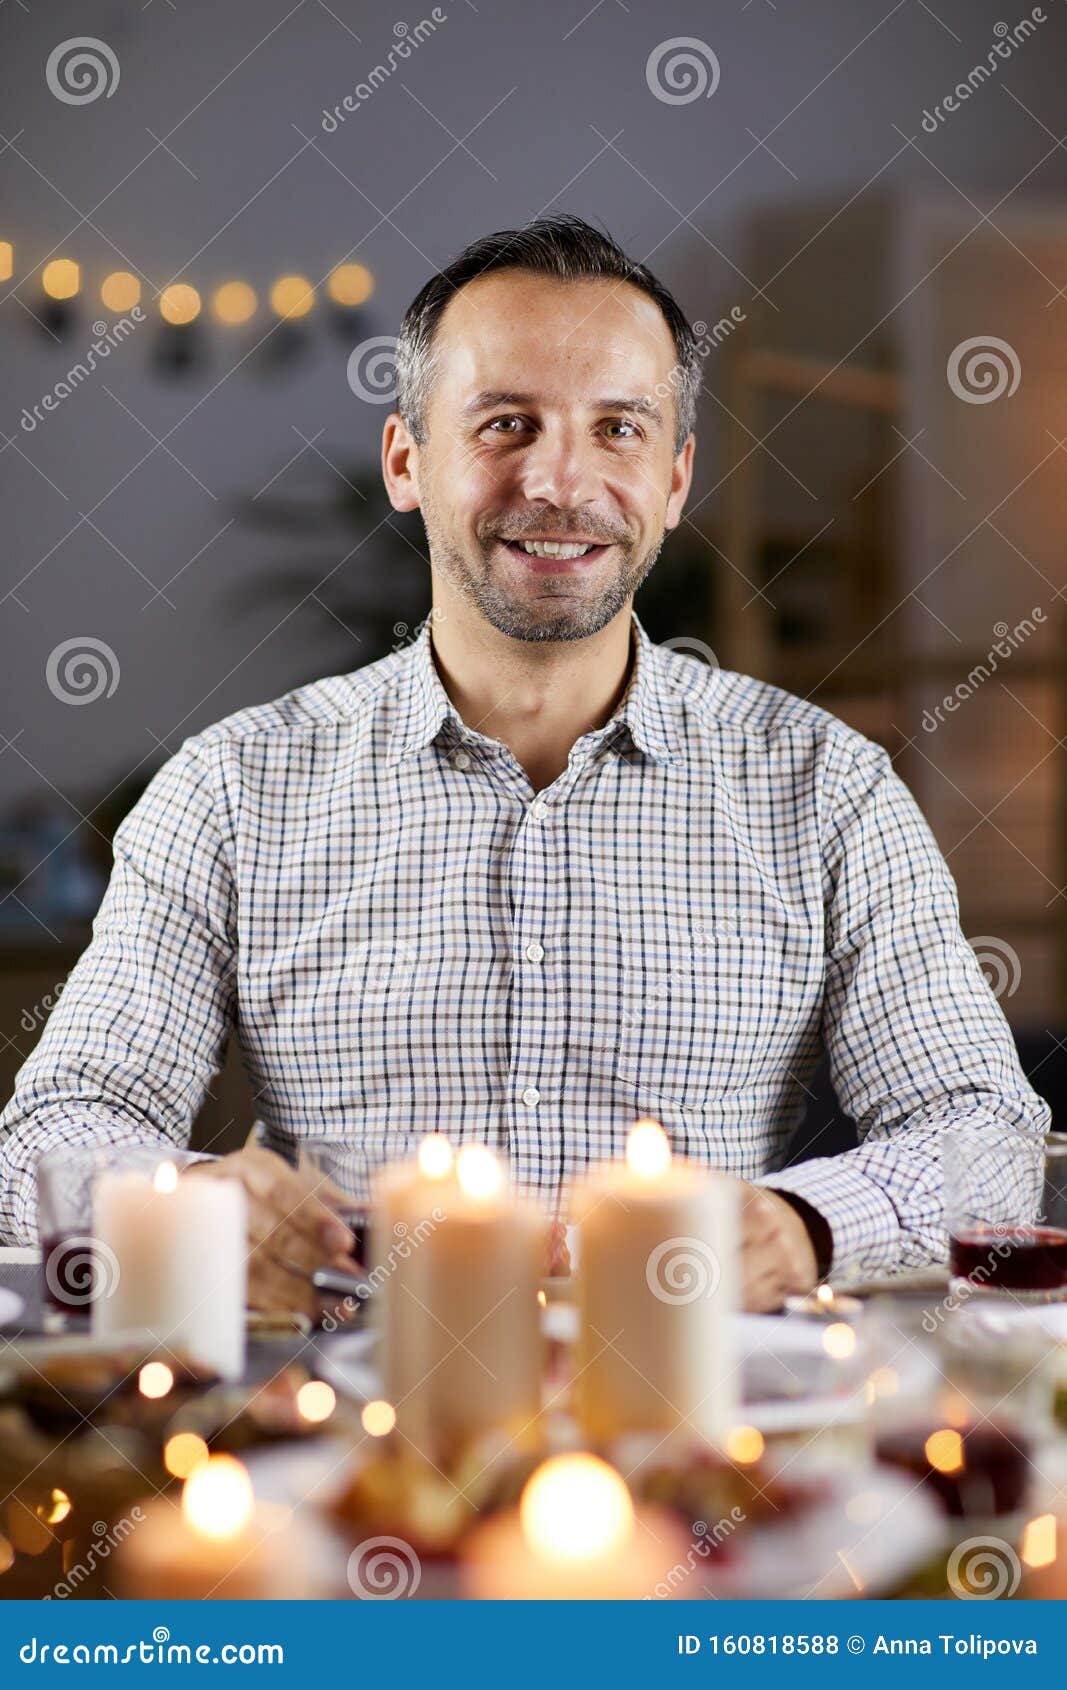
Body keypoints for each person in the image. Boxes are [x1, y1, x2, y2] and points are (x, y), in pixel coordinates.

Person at [0, 215, 1049, 1318]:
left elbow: (982, 1128)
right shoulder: (229, 790)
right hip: (336, 1442)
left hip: (710, 1441)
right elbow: (54, 1134)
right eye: (506, 423)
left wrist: (803, 1226)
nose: (559, 480)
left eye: (617, 429)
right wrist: (194, 1208)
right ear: (407, 459)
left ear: (676, 476)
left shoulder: (827, 789)